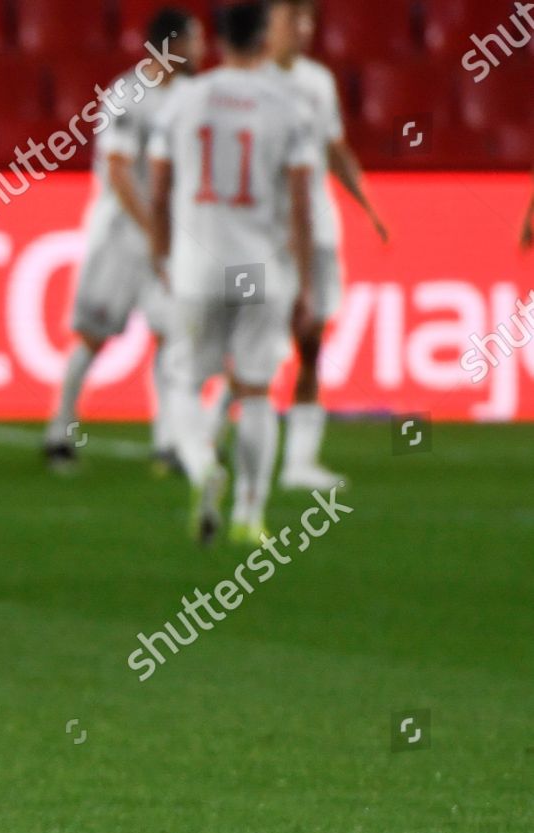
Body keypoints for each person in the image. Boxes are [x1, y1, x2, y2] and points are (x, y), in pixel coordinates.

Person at [151, 1, 316, 545]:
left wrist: (161, 251)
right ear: (266, 37)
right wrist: (307, 281)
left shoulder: (184, 101)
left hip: (199, 262)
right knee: (255, 391)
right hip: (259, 266)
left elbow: (159, 185)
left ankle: (202, 468)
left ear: (219, 39)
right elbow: (299, 203)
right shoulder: (288, 106)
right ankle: (250, 514)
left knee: (183, 378)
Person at [43, 7, 204, 475]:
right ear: (171, 46)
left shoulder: (194, 94)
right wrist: (154, 231)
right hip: (121, 235)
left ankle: (168, 443)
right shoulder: (129, 94)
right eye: (193, 42)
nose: (201, 51)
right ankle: (59, 432)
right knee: (93, 335)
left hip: (169, 238)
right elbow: (118, 170)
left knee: (171, 335)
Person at [266, 0, 388, 490]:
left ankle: (299, 462)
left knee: (311, 339)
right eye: (292, 18)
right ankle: (204, 439)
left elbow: (334, 148)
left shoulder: (319, 82)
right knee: (257, 345)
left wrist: (368, 205)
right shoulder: (248, 83)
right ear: (268, 25)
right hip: (266, 232)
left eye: (309, 19)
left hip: (316, 228)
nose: (303, 28)